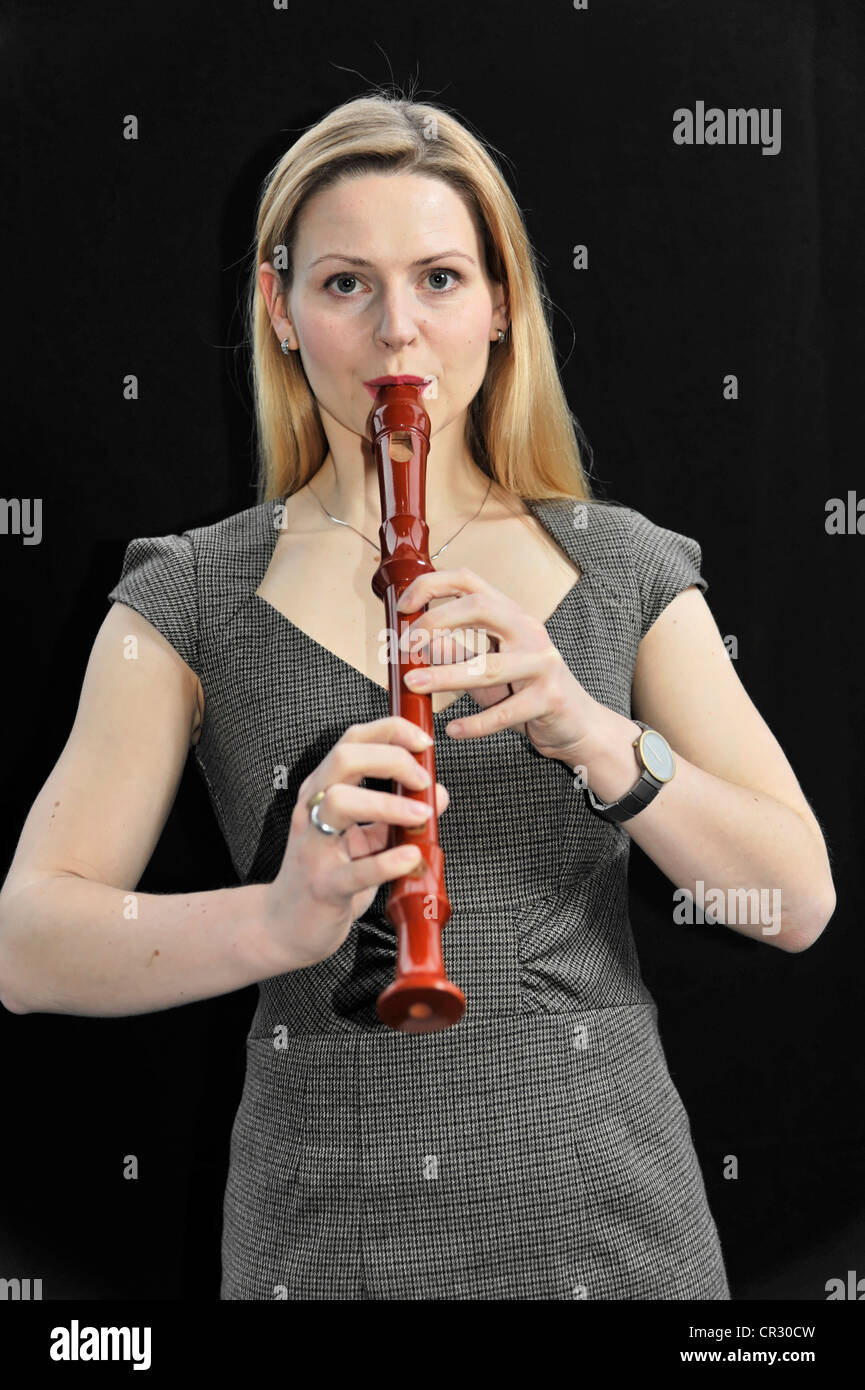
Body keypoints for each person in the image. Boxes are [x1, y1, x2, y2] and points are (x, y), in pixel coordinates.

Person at [0, 91, 836, 1301]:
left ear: (500, 305)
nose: (398, 331)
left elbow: (797, 901)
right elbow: (26, 947)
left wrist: (597, 738)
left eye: (440, 278)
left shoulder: (625, 566)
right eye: (345, 283)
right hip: (318, 1248)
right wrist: (279, 921)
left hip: (612, 1240)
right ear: (280, 309)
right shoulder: (184, 598)